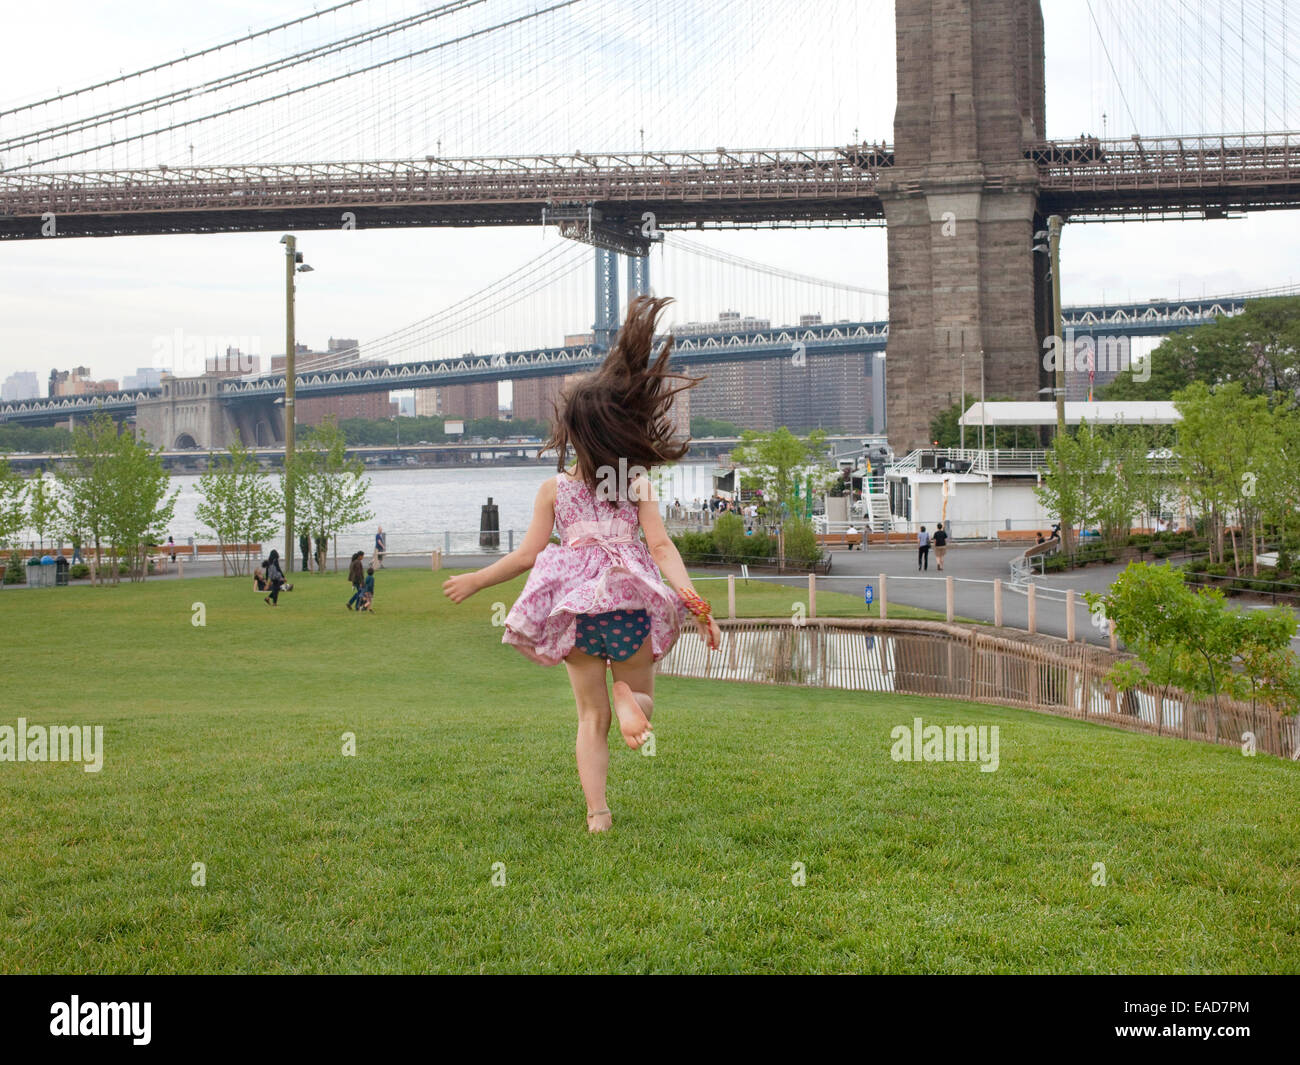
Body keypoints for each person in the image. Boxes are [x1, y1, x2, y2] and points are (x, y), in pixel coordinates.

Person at [443, 296, 722, 835]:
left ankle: (598, 814)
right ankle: (629, 695)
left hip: (578, 615)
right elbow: (663, 550)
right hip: (630, 606)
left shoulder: (554, 490)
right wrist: (697, 605)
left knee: (589, 721)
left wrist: (476, 579)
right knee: (642, 706)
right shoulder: (636, 484)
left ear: (572, 432)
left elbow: (527, 556)